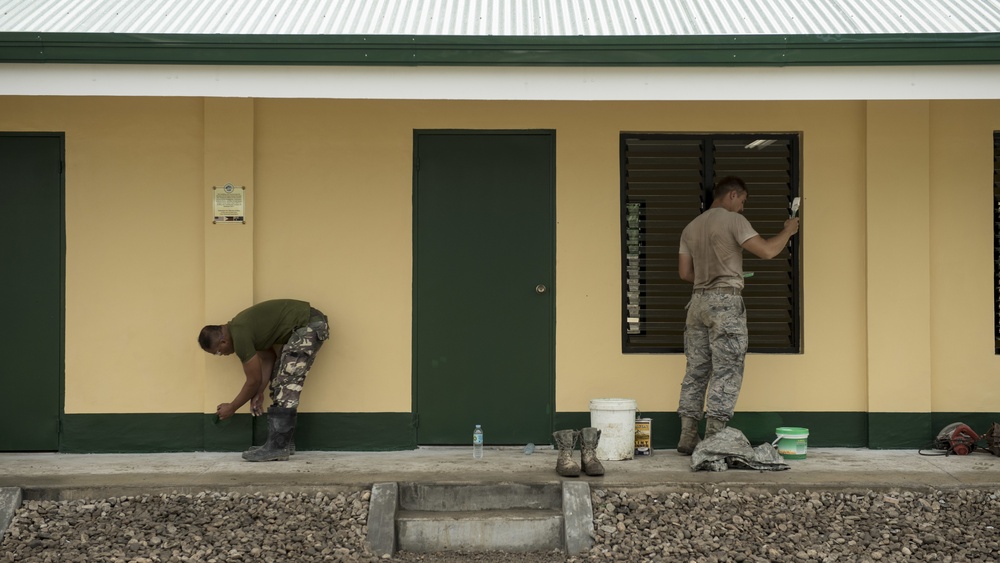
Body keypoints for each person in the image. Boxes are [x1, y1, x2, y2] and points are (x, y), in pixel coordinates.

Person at [675, 176, 799, 455]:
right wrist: (789, 231)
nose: (742, 208)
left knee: (696, 371)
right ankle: (715, 437)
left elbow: (685, 273)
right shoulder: (733, 221)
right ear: (732, 195)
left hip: (696, 303)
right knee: (727, 369)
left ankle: (687, 435)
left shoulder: (691, 227)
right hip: (726, 303)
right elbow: (767, 251)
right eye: (742, 201)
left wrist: (710, 277)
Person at [198, 299, 329, 462]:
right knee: (278, 380)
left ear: (223, 341)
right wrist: (259, 391)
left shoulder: (240, 335)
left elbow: (252, 380)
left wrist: (232, 407)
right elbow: (268, 359)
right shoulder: (242, 329)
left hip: (309, 324)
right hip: (307, 324)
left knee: (287, 381)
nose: (222, 355)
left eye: (218, 352)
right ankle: (282, 443)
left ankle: (278, 447)